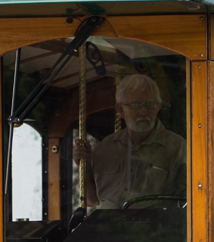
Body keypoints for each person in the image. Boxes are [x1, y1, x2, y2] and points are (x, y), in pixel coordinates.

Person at [75, 75, 185, 209]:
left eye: (150, 104)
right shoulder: (104, 148)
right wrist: (84, 165)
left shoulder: (178, 148)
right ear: (120, 109)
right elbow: (91, 200)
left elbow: (188, 204)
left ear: (158, 107)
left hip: (155, 228)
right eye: (135, 105)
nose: (143, 111)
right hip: (108, 227)